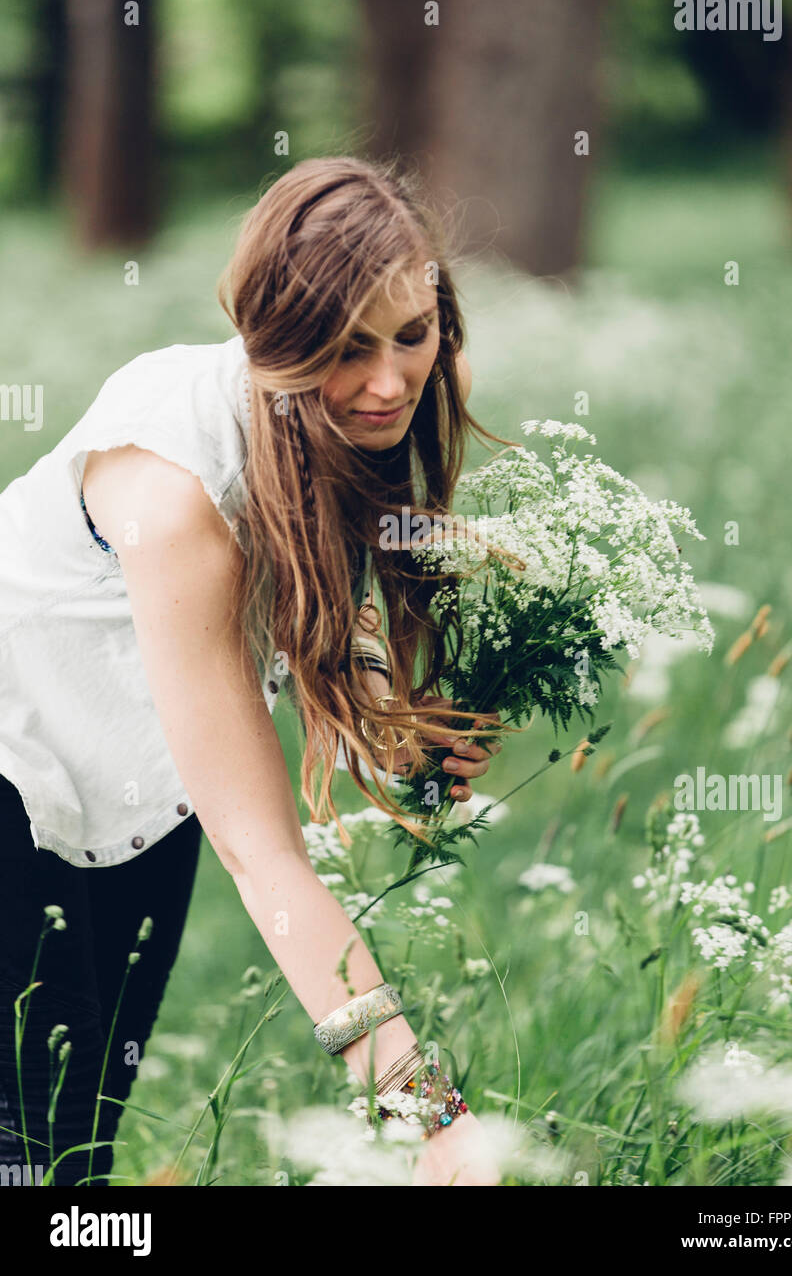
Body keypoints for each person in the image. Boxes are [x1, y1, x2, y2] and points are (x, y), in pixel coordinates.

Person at [0, 155, 510, 1187]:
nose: (388, 379)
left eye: (412, 334)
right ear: (274, 344)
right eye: (346, 349)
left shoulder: (388, 389)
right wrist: (428, 1110)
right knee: (31, 1155)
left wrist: (386, 715)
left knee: (83, 1147)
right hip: (14, 764)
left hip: (133, 786)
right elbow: (262, 854)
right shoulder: (172, 488)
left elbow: (322, 561)